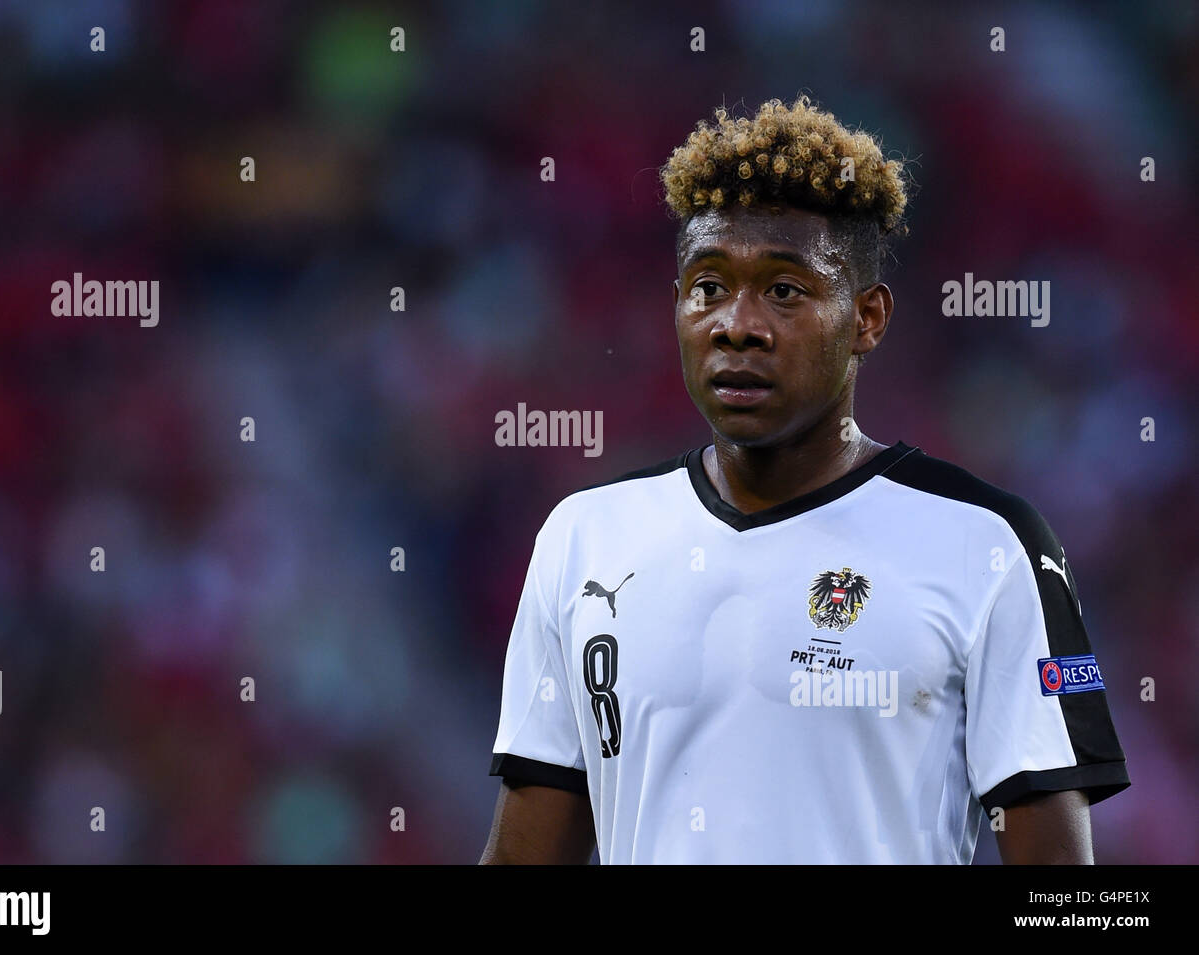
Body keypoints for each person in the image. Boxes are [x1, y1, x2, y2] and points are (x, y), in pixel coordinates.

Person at [480, 96, 1129, 864]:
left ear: (867, 318)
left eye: (785, 290)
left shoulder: (992, 545)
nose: (737, 323)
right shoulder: (584, 538)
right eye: (708, 286)